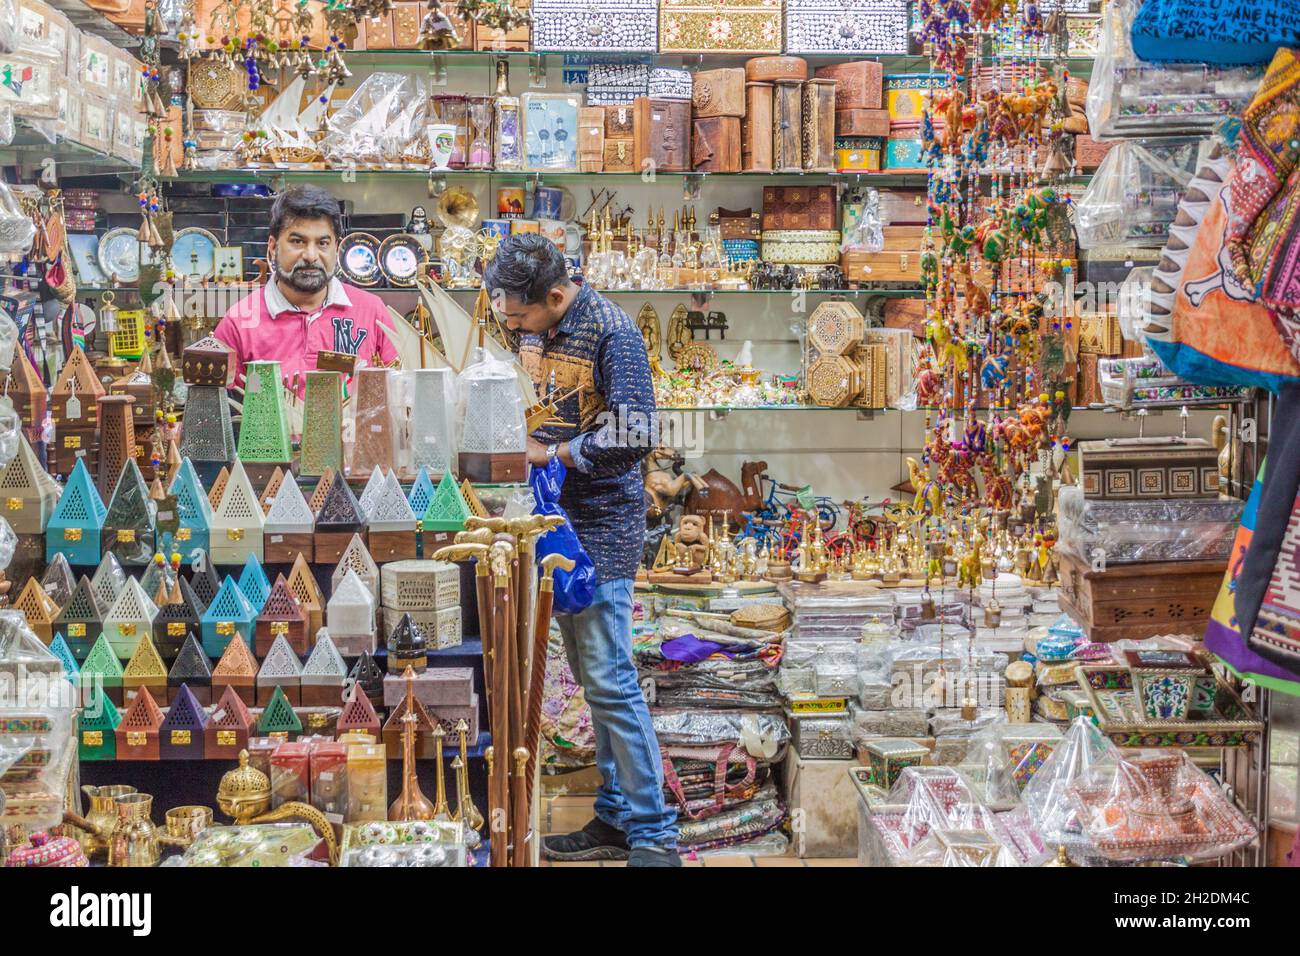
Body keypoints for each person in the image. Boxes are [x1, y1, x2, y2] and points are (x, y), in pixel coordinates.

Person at [484, 234, 680, 867]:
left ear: (555, 295)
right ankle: (617, 817)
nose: (514, 326)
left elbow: (637, 430)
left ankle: (655, 833)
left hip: (602, 525)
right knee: (595, 681)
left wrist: (555, 454)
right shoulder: (538, 323)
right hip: (554, 520)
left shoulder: (612, 332)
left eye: (520, 316)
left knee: (611, 681)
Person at [213, 185, 397, 397]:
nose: (311, 255)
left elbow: (397, 397)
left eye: (323, 243)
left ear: (336, 248)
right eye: (297, 241)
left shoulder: (372, 312)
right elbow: (223, 412)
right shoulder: (238, 323)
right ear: (272, 246)